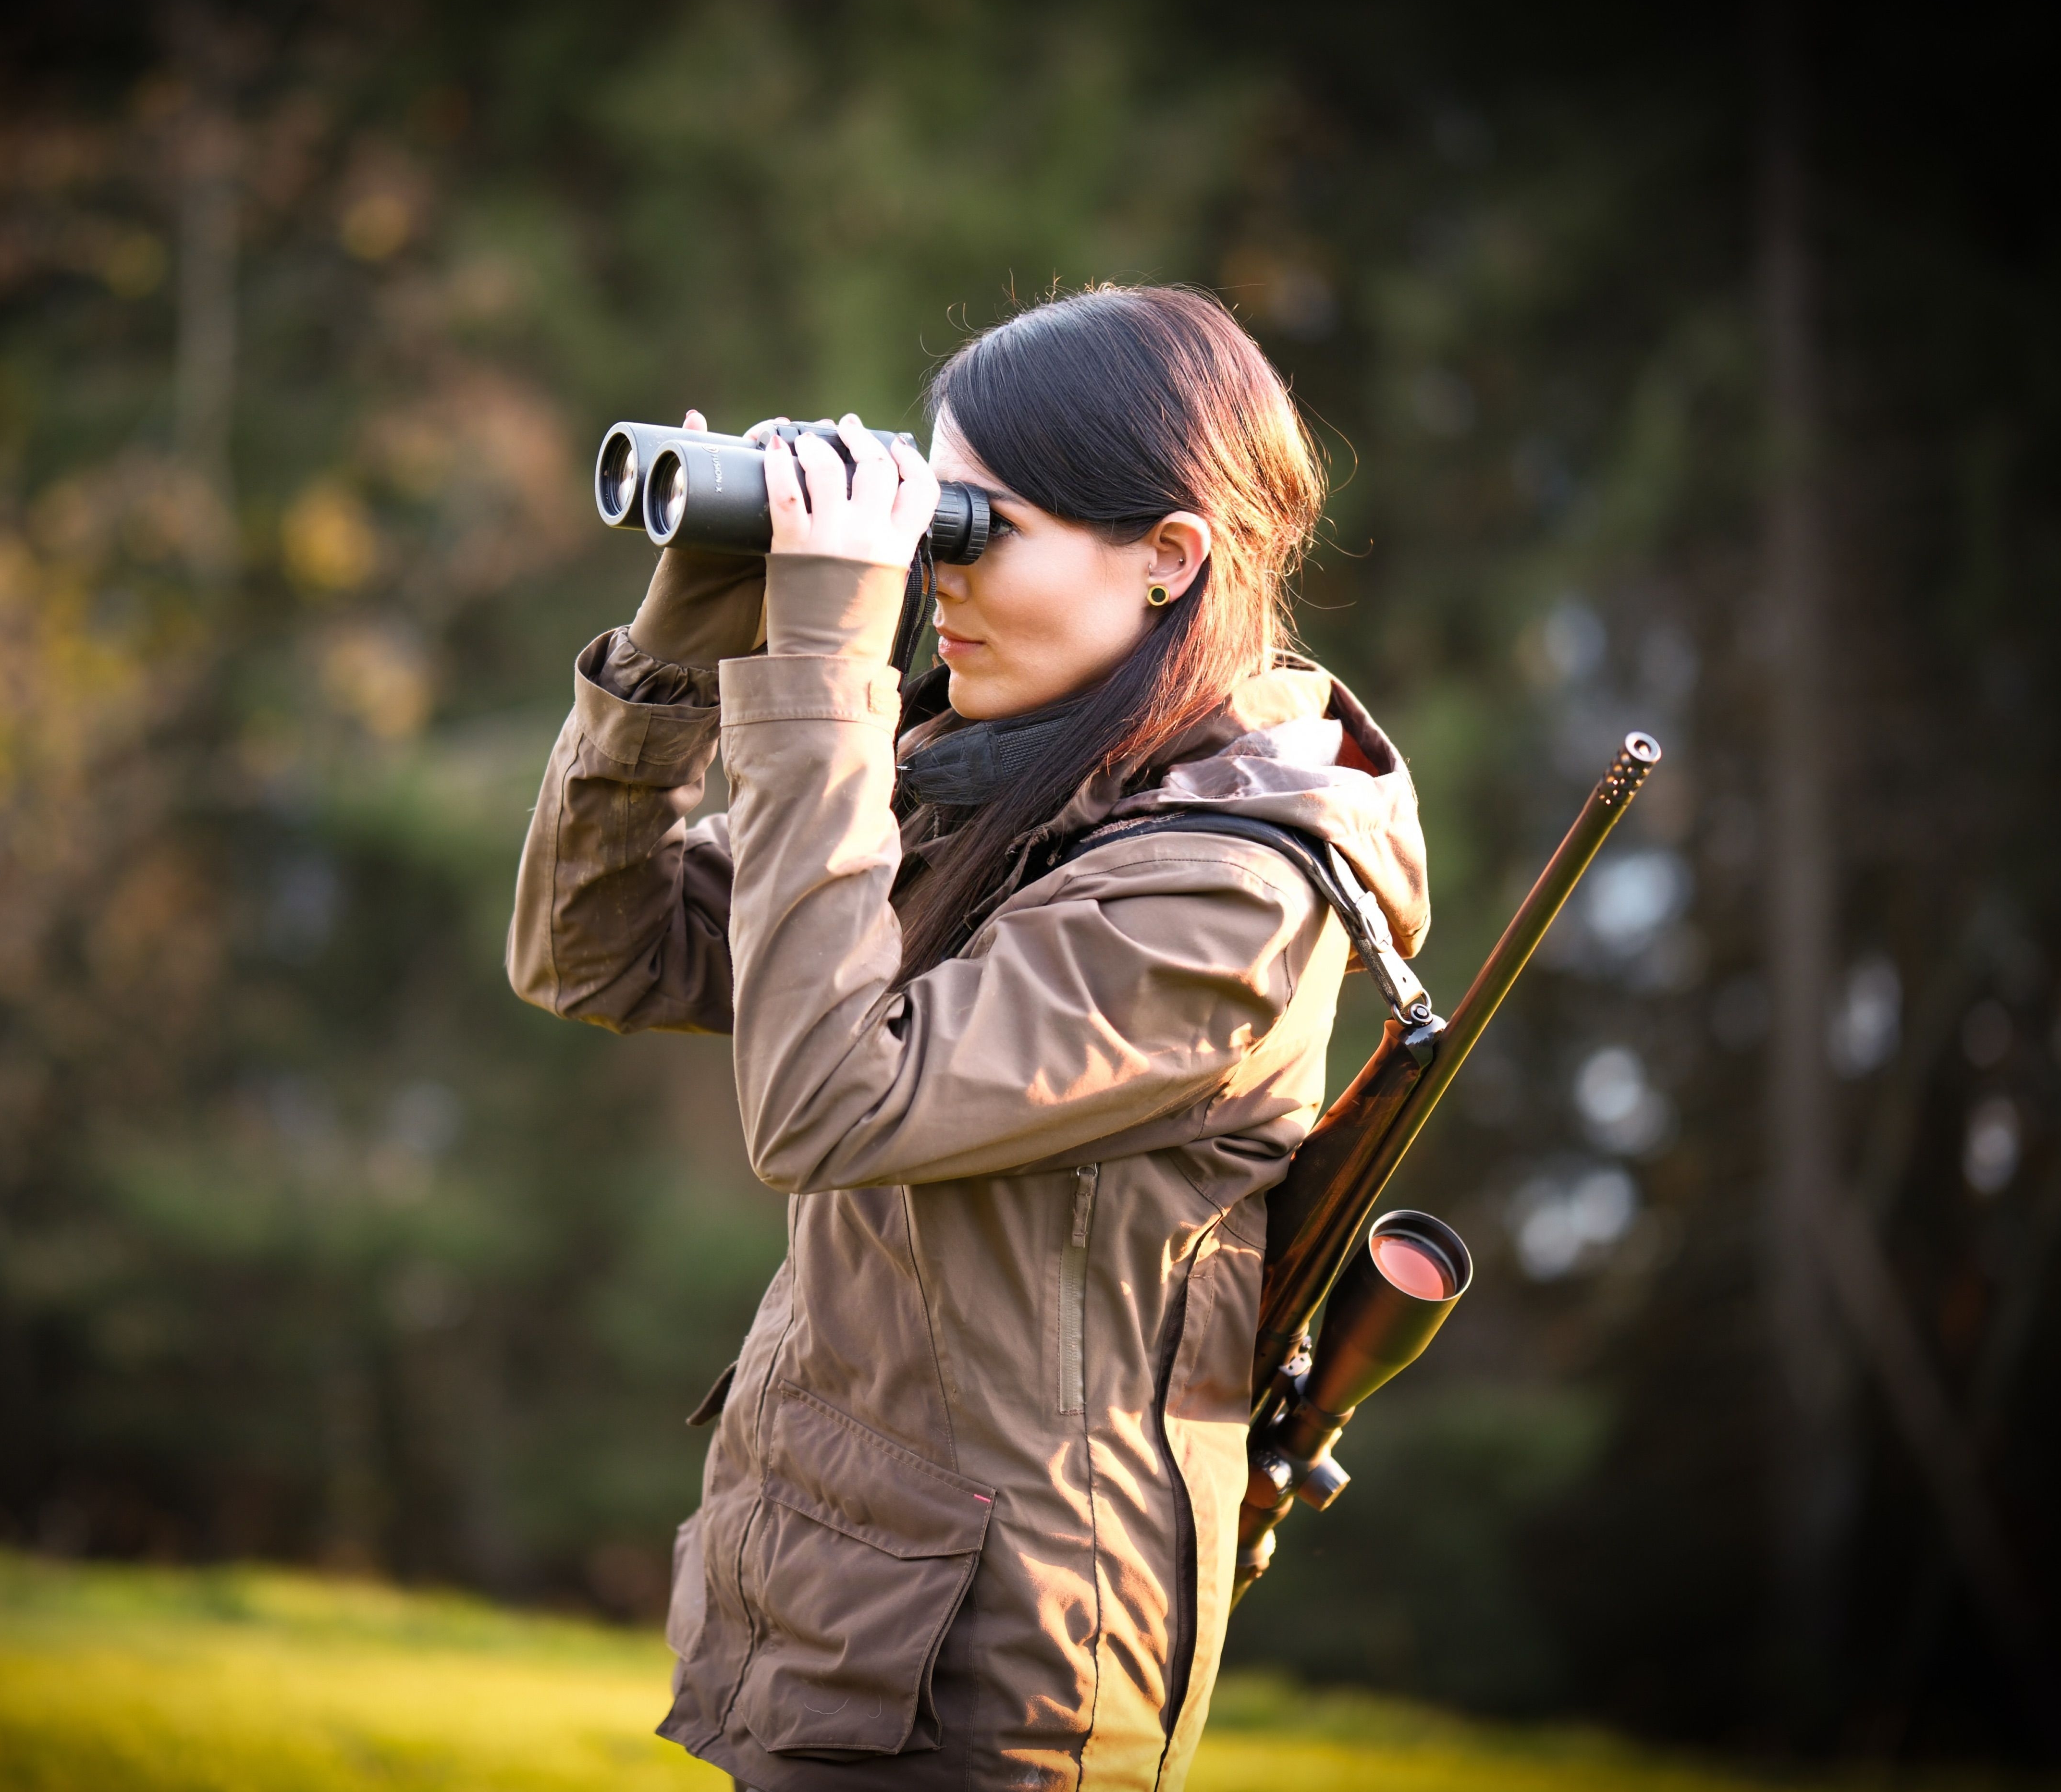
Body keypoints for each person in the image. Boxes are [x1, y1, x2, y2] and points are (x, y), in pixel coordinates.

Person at [507, 285, 1428, 1792]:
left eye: (976, 525)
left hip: (999, 1682)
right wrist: (691, 625)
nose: (935, 569)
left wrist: (822, 667)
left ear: (1167, 561)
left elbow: (825, 1106)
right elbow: (591, 950)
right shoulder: (1005, 770)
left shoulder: (1233, 892)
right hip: (843, 1607)